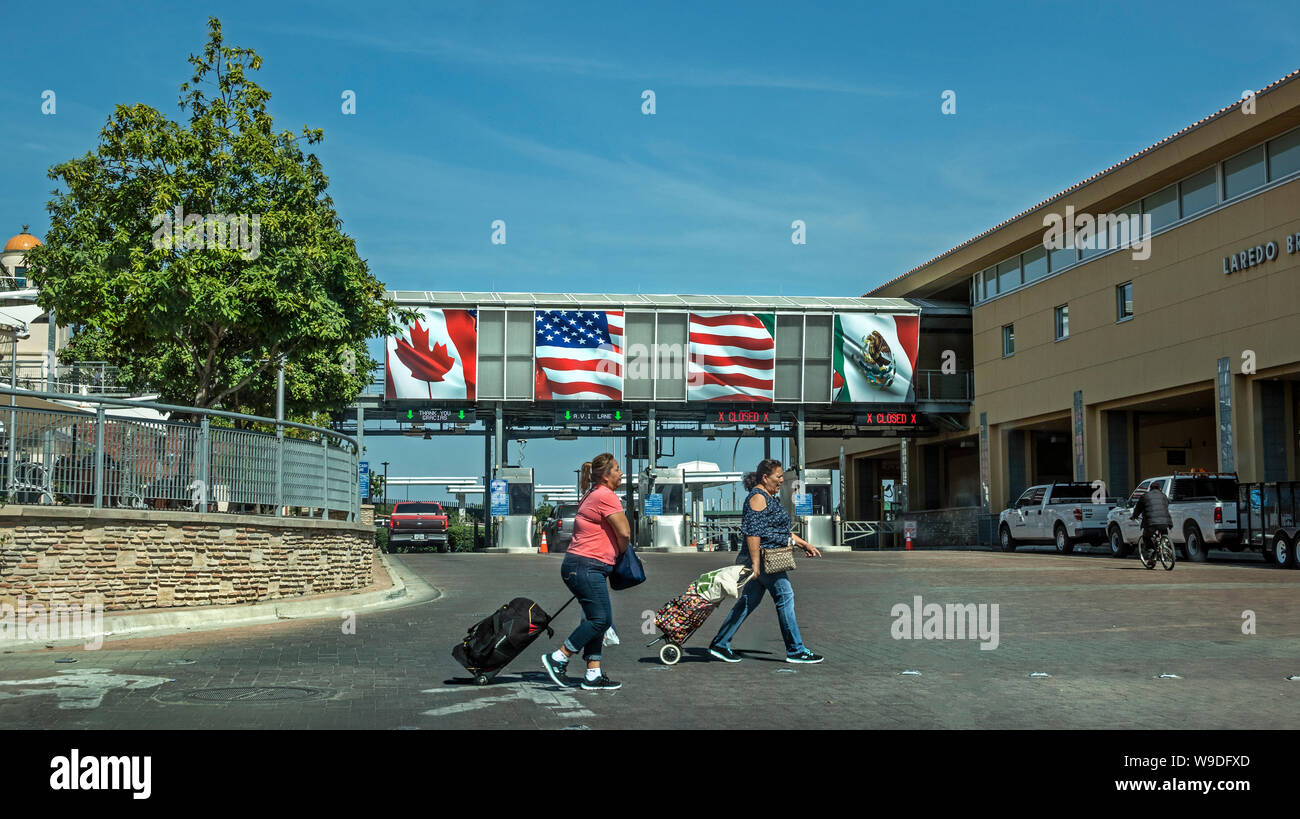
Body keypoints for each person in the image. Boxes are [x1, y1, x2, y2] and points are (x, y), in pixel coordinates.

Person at [708, 458, 824, 664]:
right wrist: (754, 565)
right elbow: (753, 533)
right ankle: (795, 650)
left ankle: (720, 644)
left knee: (747, 602)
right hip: (764, 559)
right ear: (765, 477)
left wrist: (804, 544)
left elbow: (778, 530)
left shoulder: (768, 497)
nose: (781, 480)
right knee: (785, 596)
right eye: (778, 476)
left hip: (763, 559)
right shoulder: (758, 498)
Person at [542, 453, 631, 690]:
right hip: (587, 566)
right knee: (600, 619)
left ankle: (593, 673)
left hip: (582, 566)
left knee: (598, 619)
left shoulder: (592, 494)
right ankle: (559, 657)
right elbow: (624, 533)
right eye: (617, 469)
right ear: (606, 475)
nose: (621, 473)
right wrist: (623, 554)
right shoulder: (606, 496)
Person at [1130, 483, 1173, 555]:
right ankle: (1165, 544)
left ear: (1150, 488)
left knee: (1146, 537)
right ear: (1160, 489)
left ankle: (1151, 553)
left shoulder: (1144, 496)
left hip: (1151, 522)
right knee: (1164, 531)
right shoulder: (1164, 496)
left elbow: (1138, 509)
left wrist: (1134, 516)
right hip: (1166, 521)